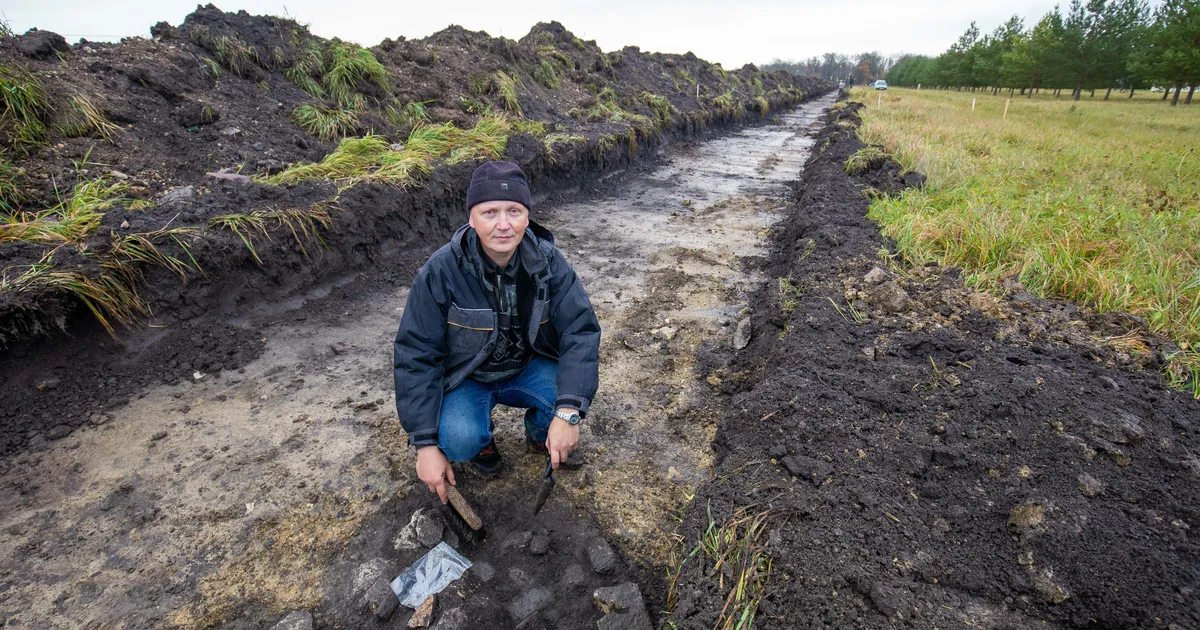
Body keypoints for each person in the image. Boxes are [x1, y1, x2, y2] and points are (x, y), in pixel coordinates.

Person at [393, 161, 601, 504]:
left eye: (514, 211)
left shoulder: (549, 262)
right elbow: (416, 353)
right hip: (468, 378)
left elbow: (581, 331)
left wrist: (567, 414)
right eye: (490, 212)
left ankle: (540, 433)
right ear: (471, 218)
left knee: (567, 403)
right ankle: (480, 441)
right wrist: (425, 444)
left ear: (527, 216)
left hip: (528, 369)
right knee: (458, 438)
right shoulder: (441, 271)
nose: (503, 225)